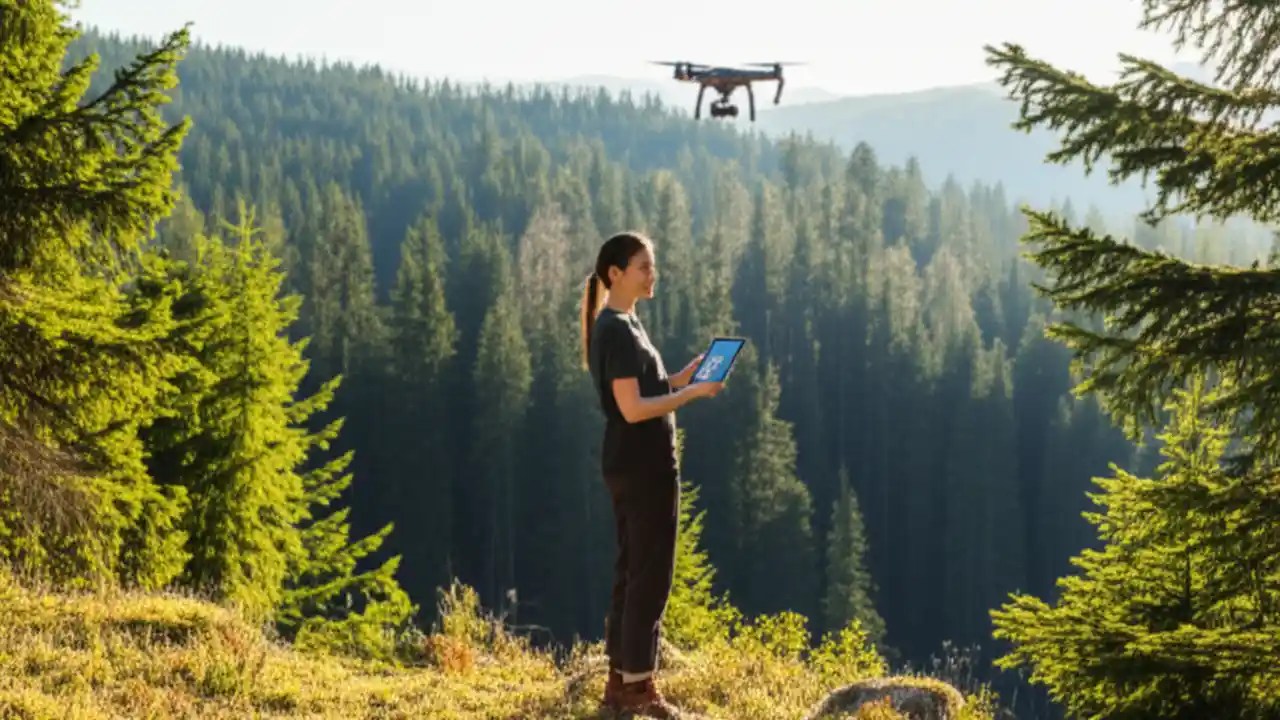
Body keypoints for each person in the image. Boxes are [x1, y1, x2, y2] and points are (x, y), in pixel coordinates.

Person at [581, 231, 723, 718]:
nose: (652, 273)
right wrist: (691, 396)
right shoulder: (617, 330)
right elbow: (633, 407)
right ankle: (639, 688)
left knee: (633, 570)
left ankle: (622, 680)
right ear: (615, 273)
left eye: (652, 265)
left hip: (635, 465)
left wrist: (683, 377)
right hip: (643, 468)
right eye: (643, 266)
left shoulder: (623, 323)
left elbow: (647, 388)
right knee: (649, 575)